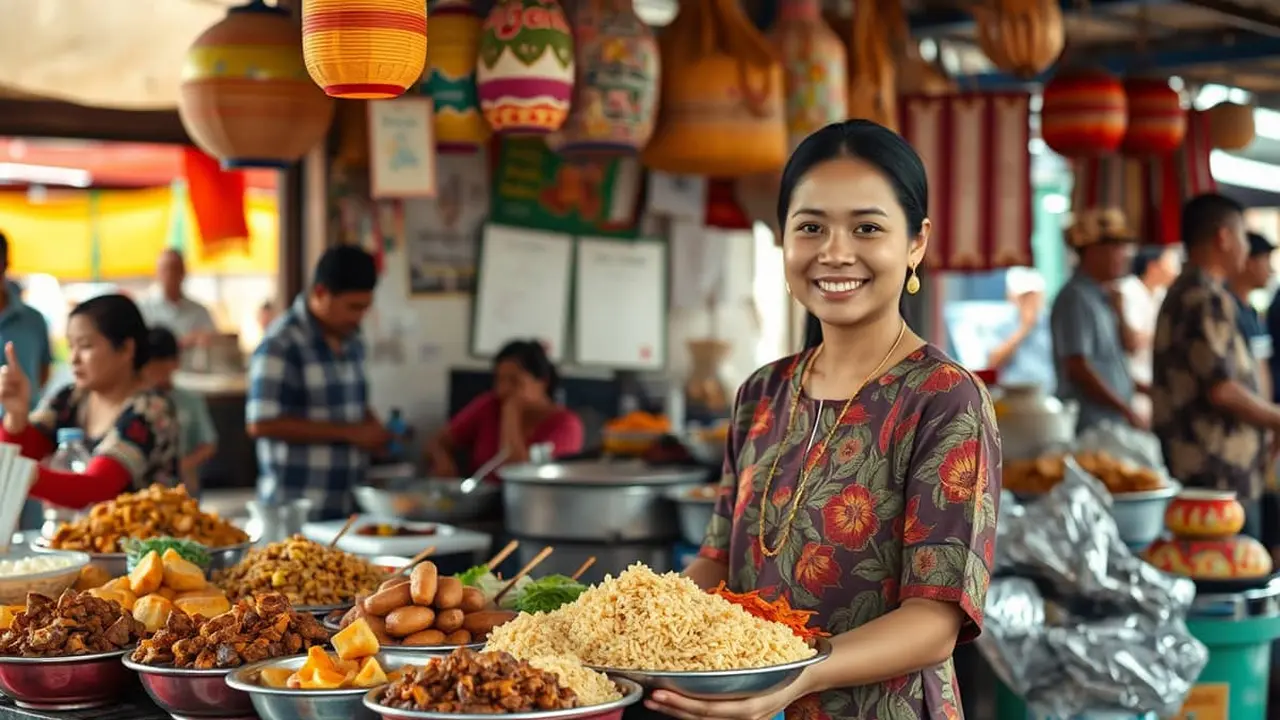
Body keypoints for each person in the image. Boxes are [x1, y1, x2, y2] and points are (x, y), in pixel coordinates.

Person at [670, 120, 999, 720]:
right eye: (811, 227)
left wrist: (794, 680)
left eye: (867, 228)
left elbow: (934, 622)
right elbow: (718, 560)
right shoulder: (762, 392)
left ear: (916, 244)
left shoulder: (944, 398)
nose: (835, 252)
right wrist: (621, 622)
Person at [1152, 194, 1278, 540]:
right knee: (1227, 577)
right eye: (1241, 236)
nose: (1243, 247)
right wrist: (1275, 418)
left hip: (1215, 473)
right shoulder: (1201, 295)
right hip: (1215, 476)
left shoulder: (1195, 290)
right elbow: (1221, 389)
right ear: (1223, 237)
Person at [246, 245, 390, 520]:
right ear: (321, 293)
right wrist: (350, 432)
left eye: (365, 308)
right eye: (353, 307)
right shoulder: (281, 343)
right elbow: (260, 423)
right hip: (295, 514)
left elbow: (352, 404)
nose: (359, 317)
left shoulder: (353, 341)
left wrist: (373, 429)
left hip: (346, 510)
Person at [0, 294, 179, 508]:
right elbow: (24, 451)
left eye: (85, 346)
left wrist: (20, 474)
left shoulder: (152, 409)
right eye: (70, 346)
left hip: (146, 540)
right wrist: (16, 415)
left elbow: (96, 488)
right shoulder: (70, 398)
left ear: (126, 349)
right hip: (78, 537)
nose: (73, 359)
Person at [427, 340, 583, 477]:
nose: (503, 390)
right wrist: (443, 461)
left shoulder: (566, 425)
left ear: (542, 382)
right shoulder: (489, 405)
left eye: (515, 381)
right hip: (480, 501)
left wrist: (511, 413)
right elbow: (438, 441)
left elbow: (519, 473)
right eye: (499, 380)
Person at [1049, 209, 1141, 432]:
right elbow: (1078, 368)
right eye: (1116, 248)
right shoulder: (1075, 298)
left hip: (1111, 423)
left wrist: (1119, 311)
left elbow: (1130, 347)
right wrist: (1125, 409)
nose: (1124, 255)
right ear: (1093, 251)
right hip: (1091, 425)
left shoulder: (1103, 297)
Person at [143, 327, 217, 496]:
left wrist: (182, 465)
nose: (156, 372)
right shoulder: (138, 404)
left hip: (185, 487)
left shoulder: (190, 401)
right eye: (152, 365)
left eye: (162, 364)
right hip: (146, 490)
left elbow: (208, 444)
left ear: (175, 362)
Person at [1117, 245, 1182, 423]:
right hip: (1133, 382)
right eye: (1170, 263)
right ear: (1153, 266)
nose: (1175, 270)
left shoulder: (1162, 294)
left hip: (1154, 382)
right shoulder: (1128, 291)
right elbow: (1133, 340)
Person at [986, 267, 1054, 392]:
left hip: (1046, 395)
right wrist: (1024, 329)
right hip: (1012, 396)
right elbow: (992, 363)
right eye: (1024, 297)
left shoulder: (1051, 322)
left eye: (1033, 295)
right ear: (1011, 296)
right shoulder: (1002, 325)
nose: (1030, 301)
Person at [136, 248, 217, 347]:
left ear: (183, 272)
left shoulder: (200, 312)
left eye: (175, 268)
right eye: (165, 269)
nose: (170, 274)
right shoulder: (142, 309)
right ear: (156, 273)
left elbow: (214, 342)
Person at [1229, 232, 1276, 399]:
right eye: (1266, 261)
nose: (1271, 270)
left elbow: (1262, 367)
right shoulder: (1227, 310)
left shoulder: (1254, 313)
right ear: (1248, 262)